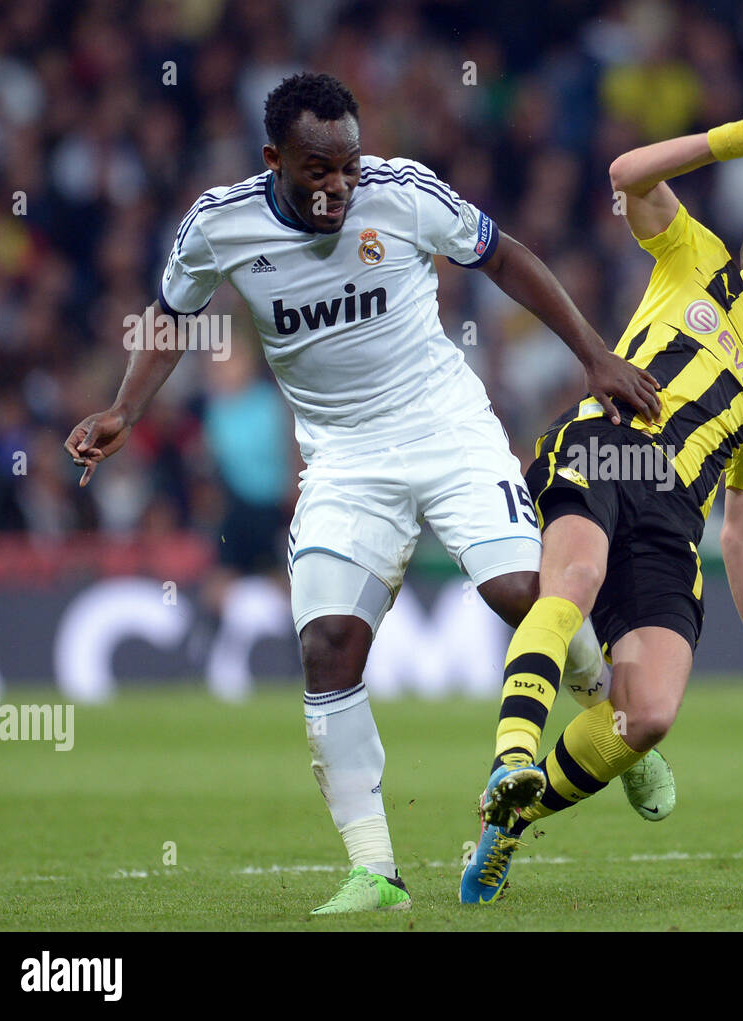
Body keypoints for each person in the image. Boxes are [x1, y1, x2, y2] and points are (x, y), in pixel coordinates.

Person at [63, 72, 674, 915]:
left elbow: (504, 256)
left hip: (447, 427)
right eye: (317, 170)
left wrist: (594, 355)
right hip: (345, 460)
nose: (339, 188)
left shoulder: (404, 192)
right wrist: (125, 409)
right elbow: (170, 314)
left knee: (522, 594)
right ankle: (375, 871)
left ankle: (617, 725)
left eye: (348, 167)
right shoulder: (220, 223)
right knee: (327, 646)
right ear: (274, 158)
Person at [461, 102, 743, 904]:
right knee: (574, 580)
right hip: (606, 444)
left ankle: (509, 818)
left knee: (649, 716)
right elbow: (627, 173)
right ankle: (512, 755)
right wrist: (739, 140)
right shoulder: (697, 258)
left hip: (676, 520)